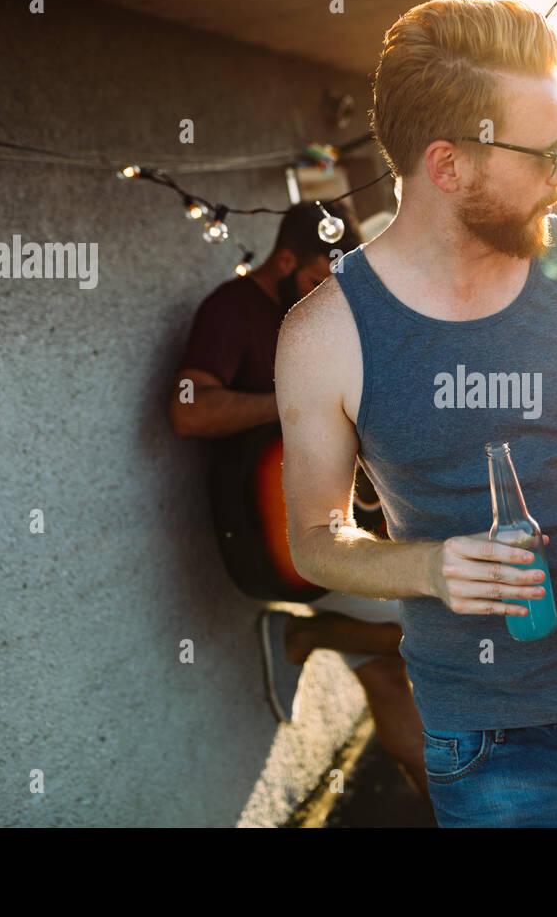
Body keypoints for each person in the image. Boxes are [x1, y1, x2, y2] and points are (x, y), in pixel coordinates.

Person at [275, 0, 557, 828]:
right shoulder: (321, 335)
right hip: (481, 749)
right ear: (448, 166)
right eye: (547, 152)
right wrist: (429, 567)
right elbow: (314, 540)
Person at [168, 201, 431, 806]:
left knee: (393, 679)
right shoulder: (231, 310)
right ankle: (304, 637)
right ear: (284, 259)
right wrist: (293, 404)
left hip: (341, 517)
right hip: (281, 528)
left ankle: (298, 639)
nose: (325, 295)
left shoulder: (324, 318)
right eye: (316, 279)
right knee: (451, 623)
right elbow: (187, 409)